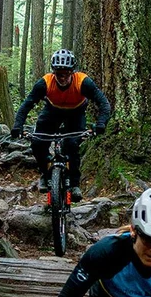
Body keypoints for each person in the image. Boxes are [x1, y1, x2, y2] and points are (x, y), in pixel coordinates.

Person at [10, 50, 111, 202]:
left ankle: (74, 184)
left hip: (76, 113)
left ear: (72, 72)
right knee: (37, 143)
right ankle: (46, 173)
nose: (62, 77)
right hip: (52, 111)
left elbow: (103, 103)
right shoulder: (45, 83)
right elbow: (27, 104)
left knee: (72, 145)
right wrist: (18, 125)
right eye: (58, 74)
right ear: (54, 72)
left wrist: (101, 123)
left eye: (66, 73)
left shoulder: (83, 82)